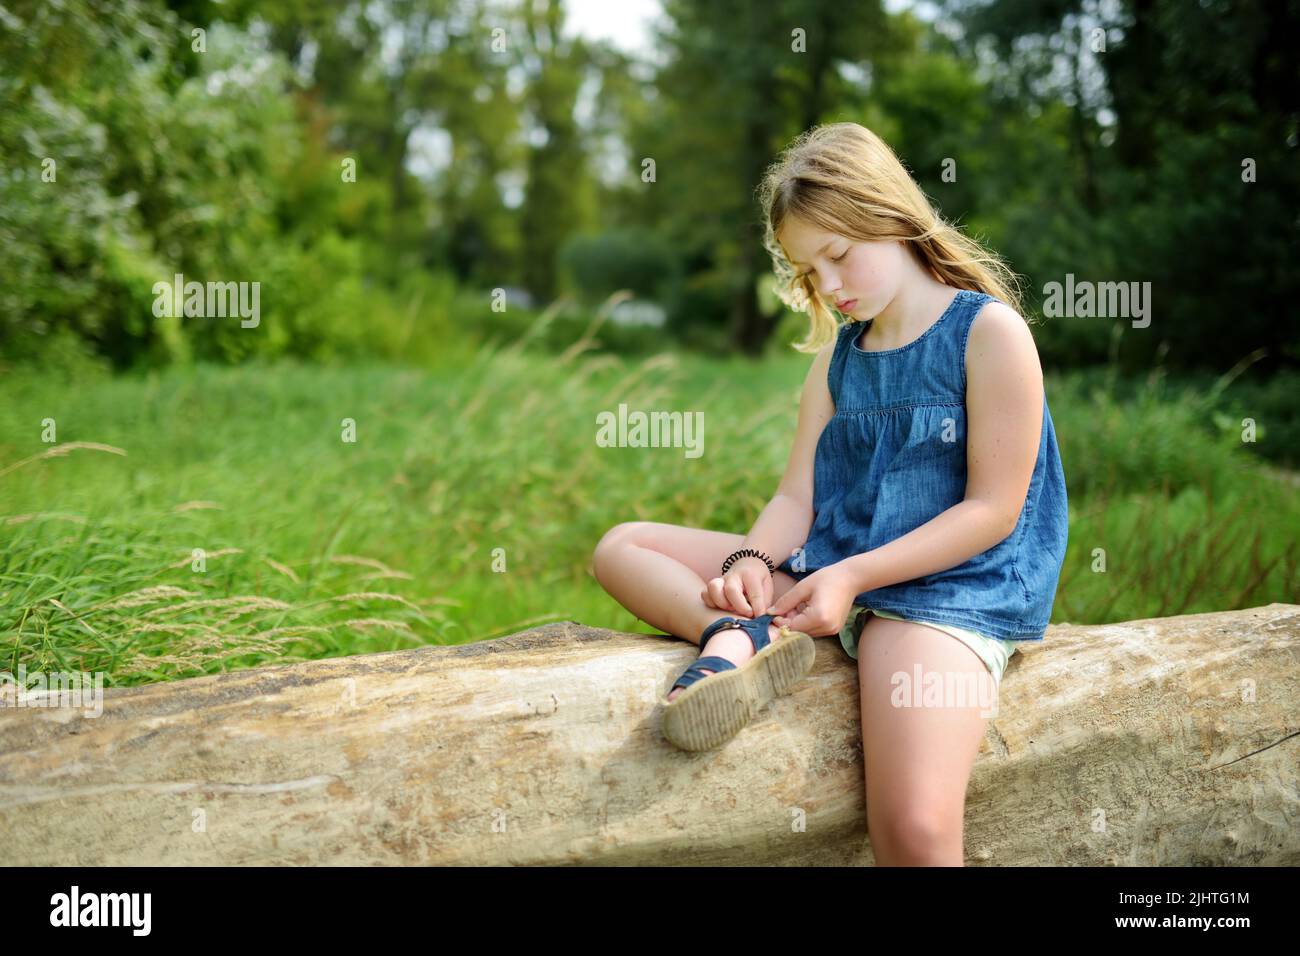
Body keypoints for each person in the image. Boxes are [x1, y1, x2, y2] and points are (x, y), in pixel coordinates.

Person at [590, 122, 1068, 865]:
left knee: (911, 826)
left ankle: (756, 629)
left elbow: (993, 511)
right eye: (809, 272)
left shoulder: (988, 334)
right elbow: (794, 500)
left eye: (839, 256)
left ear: (892, 216)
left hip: (946, 586)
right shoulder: (836, 362)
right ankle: (733, 634)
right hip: (832, 560)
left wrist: (855, 576)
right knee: (622, 546)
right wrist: (752, 559)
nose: (830, 286)